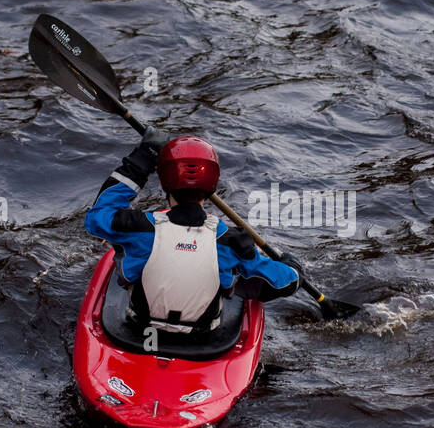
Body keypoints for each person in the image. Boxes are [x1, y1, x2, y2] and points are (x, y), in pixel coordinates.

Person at [84, 127, 300, 335]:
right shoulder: (231, 241)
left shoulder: (138, 229)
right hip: (203, 338)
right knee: (242, 275)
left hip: (141, 329)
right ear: (212, 184)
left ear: (164, 182)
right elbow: (284, 282)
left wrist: (143, 158)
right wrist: (292, 266)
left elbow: (97, 216)